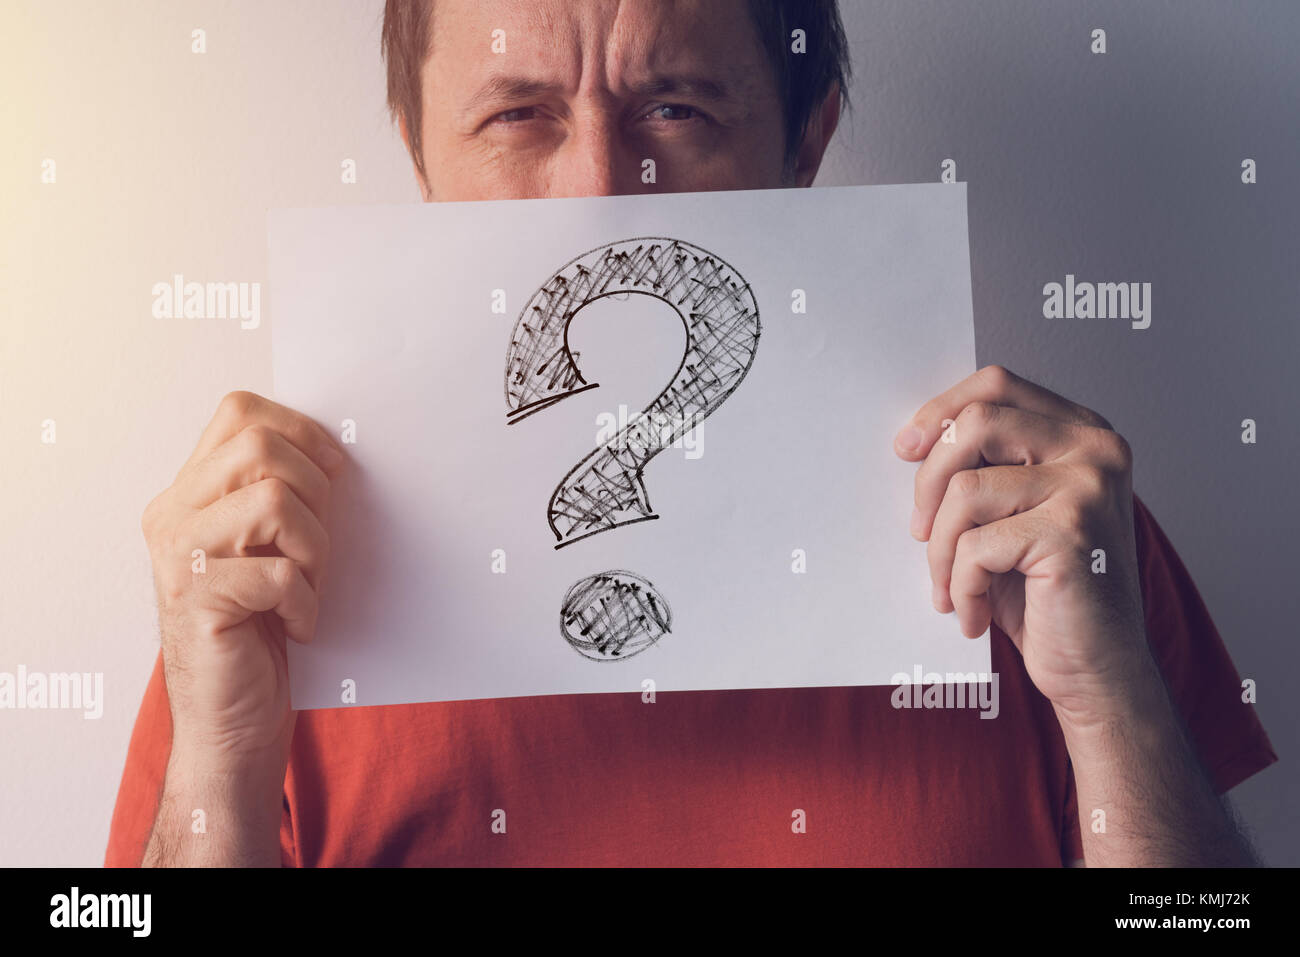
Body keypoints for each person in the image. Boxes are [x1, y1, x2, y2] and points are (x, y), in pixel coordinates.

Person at [107, 0, 1275, 867]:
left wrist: (1107, 696)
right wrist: (219, 763)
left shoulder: (1037, 528)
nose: (599, 193)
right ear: (420, 158)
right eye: (517, 115)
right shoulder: (273, 572)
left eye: (676, 108)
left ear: (803, 145)